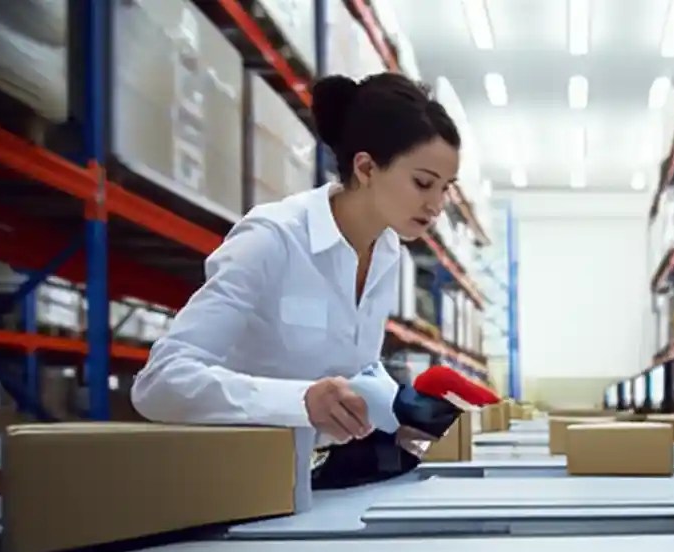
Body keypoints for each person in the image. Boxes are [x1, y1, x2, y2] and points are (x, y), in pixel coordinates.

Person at [131, 72, 461, 488]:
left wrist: (400, 409)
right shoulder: (272, 239)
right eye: (423, 183)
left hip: (313, 488)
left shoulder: (387, 251)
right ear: (366, 167)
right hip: (232, 490)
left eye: (446, 188)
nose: (436, 205)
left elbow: (350, 372)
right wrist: (299, 401)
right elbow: (160, 383)